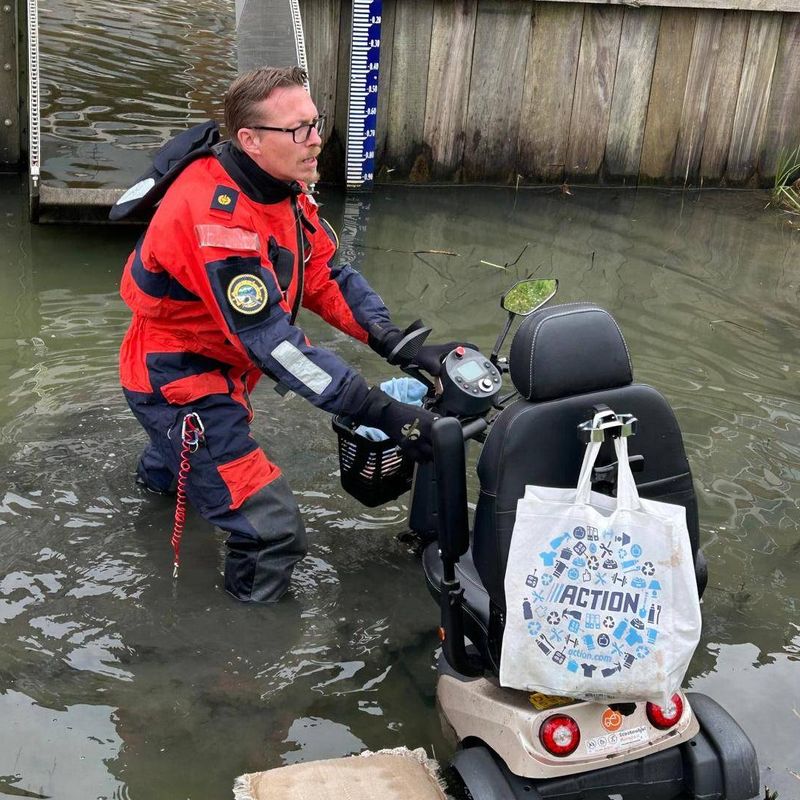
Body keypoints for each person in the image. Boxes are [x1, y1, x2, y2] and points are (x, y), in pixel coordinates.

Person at [117, 65, 462, 604]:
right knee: (271, 530)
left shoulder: (282, 185)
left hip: (219, 366)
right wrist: (379, 410)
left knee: (178, 475)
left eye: (315, 122)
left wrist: (403, 345)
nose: (317, 139)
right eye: (298, 129)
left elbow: (324, 275)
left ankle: (151, 507)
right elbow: (274, 345)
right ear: (250, 140)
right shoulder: (216, 221)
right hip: (179, 378)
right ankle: (243, 659)